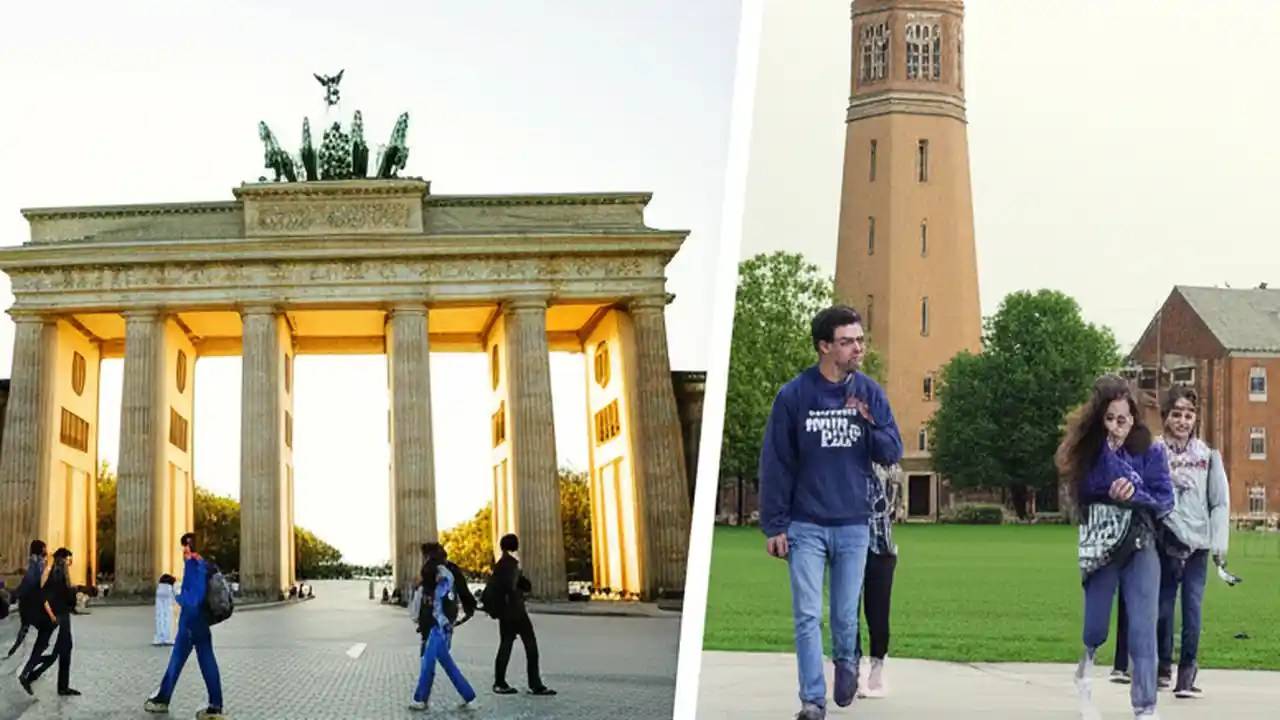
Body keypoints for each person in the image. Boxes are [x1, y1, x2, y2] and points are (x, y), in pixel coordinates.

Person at [757, 305, 903, 720]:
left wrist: (868, 420)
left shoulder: (871, 392)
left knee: (843, 615)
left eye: (860, 340)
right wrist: (775, 524)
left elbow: (892, 451)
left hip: (854, 523)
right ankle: (811, 700)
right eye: (847, 341)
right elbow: (776, 462)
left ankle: (846, 662)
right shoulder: (794, 395)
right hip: (805, 524)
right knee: (806, 614)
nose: (858, 347)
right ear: (824, 347)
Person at [1056, 375, 1174, 720]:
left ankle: (1145, 707)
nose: (1116, 427)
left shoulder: (1151, 450)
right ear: (1098, 420)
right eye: (1109, 419)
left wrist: (1134, 492)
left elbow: (1165, 500)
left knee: (1143, 627)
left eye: (1122, 419)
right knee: (1096, 627)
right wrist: (1108, 463)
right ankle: (1086, 671)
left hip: (1141, 542)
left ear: (1134, 417)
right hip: (1102, 545)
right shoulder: (1089, 452)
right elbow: (1084, 490)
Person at [1112, 386, 1228, 698]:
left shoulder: (1208, 456)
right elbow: (1136, 487)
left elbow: (1219, 502)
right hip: (1162, 539)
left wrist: (1219, 543)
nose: (1183, 420)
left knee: (1192, 608)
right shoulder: (1154, 452)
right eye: (1176, 414)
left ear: (1196, 419)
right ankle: (1162, 666)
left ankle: (1187, 672)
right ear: (1165, 417)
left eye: (1189, 415)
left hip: (1198, 544)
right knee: (1162, 606)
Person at [144, 533, 225, 719]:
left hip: (191, 620)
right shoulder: (205, 564)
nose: (183, 550)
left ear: (189, 547)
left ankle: (165, 700)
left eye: (184, 546)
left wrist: (176, 592)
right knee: (196, 660)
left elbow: (193, 597)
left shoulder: (193, 564)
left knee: (188, 660)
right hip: (199, 620)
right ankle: (213, 704)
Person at [409, 553, 479, 711]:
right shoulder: (447, 580)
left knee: (428, 664)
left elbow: (428, 610)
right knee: (447, 665)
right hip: (443, 628)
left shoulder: (435, 585)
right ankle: (469, 695)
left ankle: (420, 699)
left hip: (436, 629)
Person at [854, 463, 901, 699]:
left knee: (878, 613)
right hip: (850, 547)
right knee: (846, 614)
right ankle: (851, 668)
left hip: (881, 548)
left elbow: (887, 507)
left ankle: (876, 670)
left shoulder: (887, 467)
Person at [490, 533, 556, 696]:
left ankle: (499, 682)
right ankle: (535, 684)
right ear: (515, 546)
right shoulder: (511, 564)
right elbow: (514, 586)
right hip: (516, 611)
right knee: (531, 646)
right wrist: (522, 582)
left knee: (505, 645)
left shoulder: (499, 564)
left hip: (506, 612)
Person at [22, 547, 80, 696]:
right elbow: (46, 597)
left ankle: (39, 676)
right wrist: (52, 615)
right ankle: (30, 673)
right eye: (68, 559)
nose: (70, 562)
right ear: (63, 559)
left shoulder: (59, 573)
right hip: (59, 618)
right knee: (59, 650)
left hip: (62, 616)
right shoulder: (58, 574)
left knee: (61, 651)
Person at [416, 543, 476, 657]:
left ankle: (428, 666)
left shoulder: (427, 569)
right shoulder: (451, 568)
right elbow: (462, 589)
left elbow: (421, 595)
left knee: (428, 647)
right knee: (443, 646)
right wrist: (470, 607)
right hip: (447, 613)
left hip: (430, 614)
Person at [16, 540, 58, 696]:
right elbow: (37, 588)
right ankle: (27, 670)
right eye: (45, 551)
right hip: (33, 608)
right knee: (46, 632)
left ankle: (30, 667)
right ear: (40, 552)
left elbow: (26, 587)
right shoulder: (37, 566)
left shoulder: (34, 565)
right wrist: (50, 612)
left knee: (44, 637)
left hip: (29, 607)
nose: (46, 554)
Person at [154, 574, 178, 646]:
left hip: (160, 593)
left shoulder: (160, 585)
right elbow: (177, 593)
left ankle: (160, 637)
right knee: (168, 617)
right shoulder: (172, 584)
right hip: (168, 594)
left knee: (160, 617)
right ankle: (167, 638)